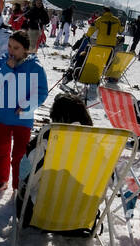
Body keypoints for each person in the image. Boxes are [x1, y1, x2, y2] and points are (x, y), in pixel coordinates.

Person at [15, 94, 93, 225]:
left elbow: (26, 176)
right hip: (81, 215)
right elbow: (109, 181)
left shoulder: (47, 140)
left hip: (42, 213)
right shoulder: (98, 141)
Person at [0, 30, 50, 191]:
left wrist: (28, 105)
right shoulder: (4, 61)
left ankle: (18, 184)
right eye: (9, 46)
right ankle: (0, 180)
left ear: (25, 49)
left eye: (16, 48)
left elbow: (42, 91)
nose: (11, 50)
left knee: (20, 154)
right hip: (2, 114)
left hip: (23, 116)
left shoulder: (35, 67)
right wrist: (7, 69)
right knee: (0, 150)